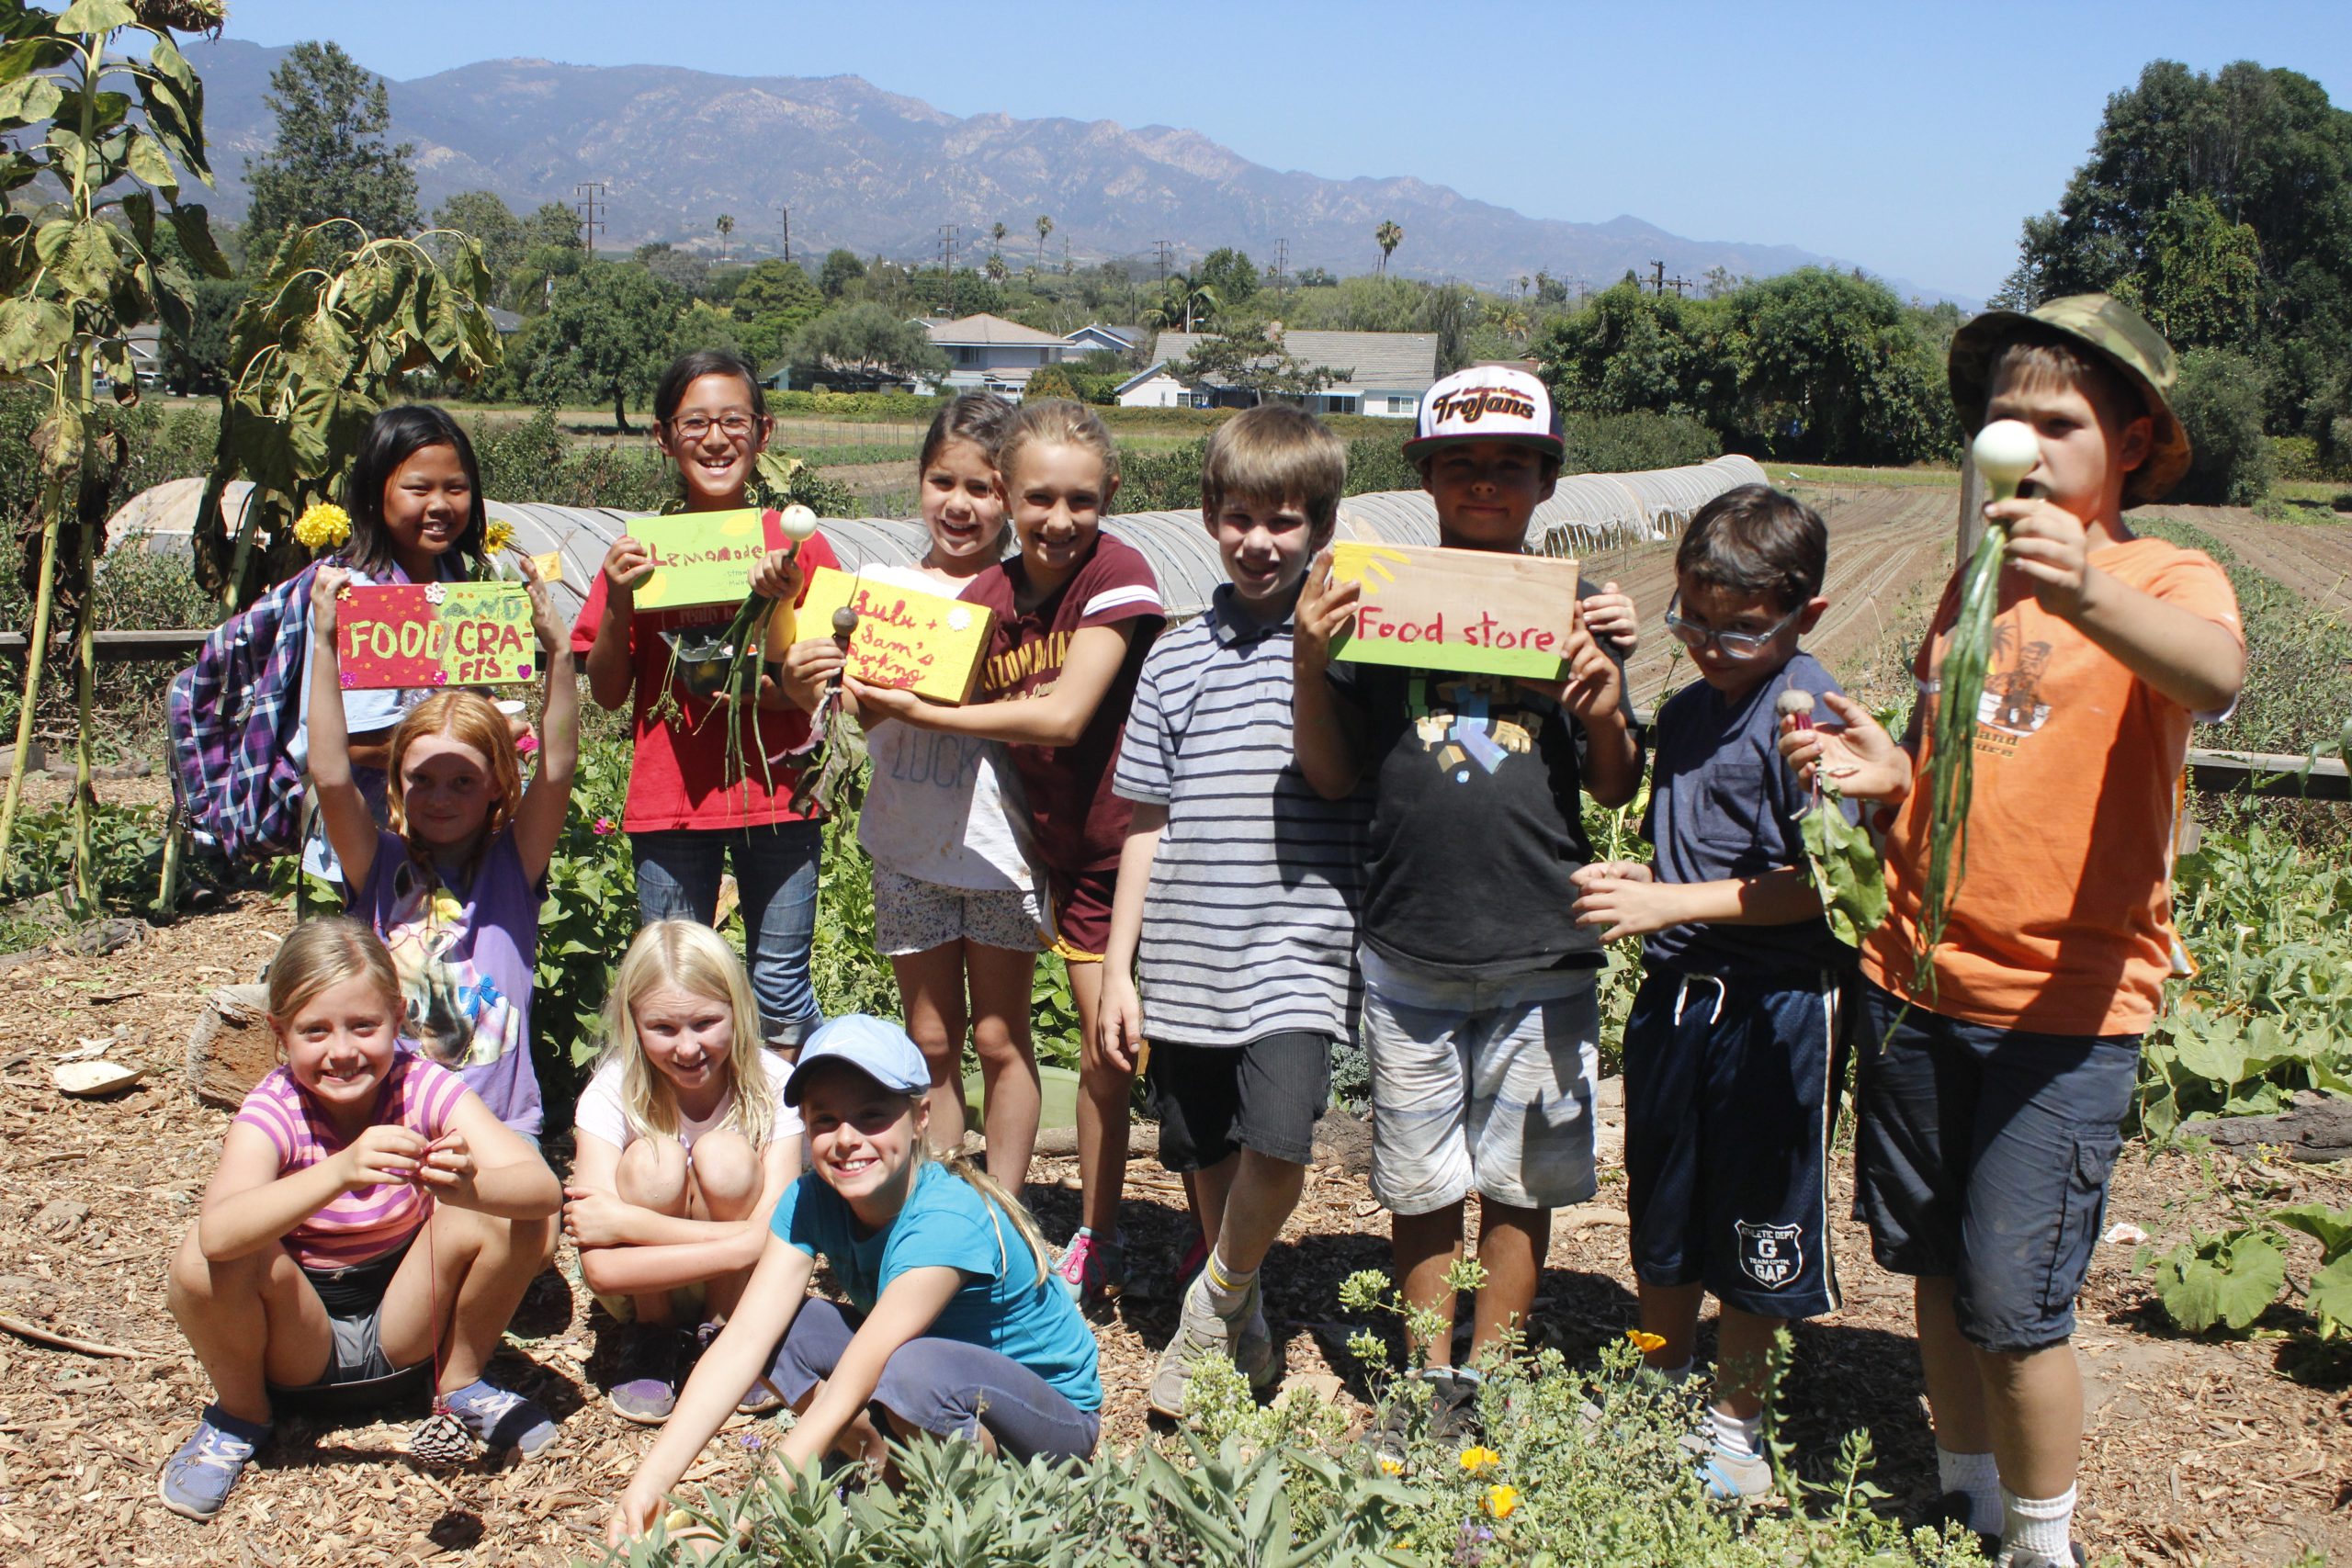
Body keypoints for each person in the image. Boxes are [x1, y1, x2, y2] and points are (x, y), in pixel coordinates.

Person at [1780, 296, 2244, 1565]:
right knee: (1935, 1268)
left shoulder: (2161, 577)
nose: (2022, 443)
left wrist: (2082, 580)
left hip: (2063, 1012)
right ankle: (1964, 1494)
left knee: (2018, 1304)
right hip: (1915, 980)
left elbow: (2212, 673)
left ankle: (2044, 1546)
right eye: (2003, 419)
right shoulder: (1970, 580)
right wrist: (1888, 772)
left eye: (2058, 422)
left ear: (2131, 444)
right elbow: (1952, 756)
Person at [1293, 367, 1642, 1457]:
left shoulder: (1578, 608)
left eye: (1508, 465)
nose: (1484, 481)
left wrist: (1604, 701)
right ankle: (1425, 1380)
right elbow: (1332, 774)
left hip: (1543, 943)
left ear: (1547, 481)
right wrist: (1310, 654)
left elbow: (1613, 785)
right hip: (1412, 946)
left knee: (1521, 1180)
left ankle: (1491, 1377)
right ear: (1427, 480)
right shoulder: (1377, 600)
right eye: (1460, 464)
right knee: (1419, 1179)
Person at [1568, 483, 1855, 1498]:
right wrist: (1648, 884)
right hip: (1678, 991)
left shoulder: (1809, 717)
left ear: (1806, 615)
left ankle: (1737, 1421)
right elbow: (1696, 851)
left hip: (1776, 1008)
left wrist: (1669, 900)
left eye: (1739, 630)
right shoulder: (1690, 710)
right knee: (1666, 1190)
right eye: (1690, 621)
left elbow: (1823, 888)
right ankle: (1661, 1373)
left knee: (1756, 1208)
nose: (1708, 646)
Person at [842, 400, 1163, 1303]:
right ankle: (961, 1217)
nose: (1057, 518)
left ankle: (1090, 1232)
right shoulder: (985, 596)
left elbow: (1062, 716)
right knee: (959, 1039)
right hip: (1037, 842)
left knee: (1091, 1047)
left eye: (1079, 499)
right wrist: (839, 668)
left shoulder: (1114, 571)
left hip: (1115, 845)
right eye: (1038, 499)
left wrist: (921, 709)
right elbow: (883, 686)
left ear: (1108, 495)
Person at [1095, 406, 1369, 1416]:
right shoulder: (1171, 659)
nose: (1260, 541)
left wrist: (1313, 658)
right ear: (1210, 516)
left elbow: (1338, 779)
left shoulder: (1353, 648)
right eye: (1241, 517)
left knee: (1281, 1137)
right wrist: (1118, 967)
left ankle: (1212, 1305)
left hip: (1298, 939)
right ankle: (1239, 1324)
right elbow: (1146, 821)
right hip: (1185, 946)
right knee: (1205, 1142)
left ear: (1321, 528)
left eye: (1284, 521)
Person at [606, 1015, 1102, 1544]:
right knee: (781, 1331)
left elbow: (858, 1377)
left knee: (913, 1370)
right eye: (825, 1120)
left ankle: (980, 1506)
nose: (847, 1139)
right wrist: (649, 1485)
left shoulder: (946, 1218)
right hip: (932, 1384)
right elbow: (744, 1341)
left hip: (1048, 1420)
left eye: (872, 1116)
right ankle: (882, 1466)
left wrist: (740, 1526)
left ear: (919, 1118)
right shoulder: (810, 1200)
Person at [160, 919, 562, 1520]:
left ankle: (460, 1381)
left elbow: (542, 1190)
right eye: (314, 1030)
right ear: (279, 1033)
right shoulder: (275, 1107)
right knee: (202, 1256)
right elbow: (217, 1233)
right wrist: (339, 1171)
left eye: (364, 1026)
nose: (342, 1051)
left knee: (511, 1212)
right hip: (301, 1343)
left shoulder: (422, 1086)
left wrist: (469, 1185)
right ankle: (240, 1416)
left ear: (399, 1019)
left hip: (407, 1327)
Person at [572, 349, 844, 1057]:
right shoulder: (639, 552)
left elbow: (825, 682)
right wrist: (620, 598)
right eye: (695, 423)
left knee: (780, 992)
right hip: (672, 800)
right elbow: (607, 689)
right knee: (677, 994)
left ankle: (783, 1121)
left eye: (733, 421)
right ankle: (685, 1123)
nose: (716, 438)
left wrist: (778, 620)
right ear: (663, 437)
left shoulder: (799, 544)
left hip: (780, 795)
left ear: (763, 431)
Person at [846, 392, 1051, 1189]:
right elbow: (854, 710)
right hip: (907, 844)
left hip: (1000, 849)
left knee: (1000, 1037)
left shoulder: (1027, 596)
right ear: (920, 481)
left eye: (982, 488)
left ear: (1010, 496)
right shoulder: (881, 589)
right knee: (930, 1039)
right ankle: (942, 1201)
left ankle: (1006, 1207)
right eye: (943, 482)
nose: (959, 505)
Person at [305, 547, 577, 1140]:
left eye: (462, 781)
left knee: (524, 1198)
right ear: (397, 782)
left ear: (497, 783)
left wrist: (559, 652)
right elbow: (329, 773)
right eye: (421, 779)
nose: (440, 797)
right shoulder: (378, 865)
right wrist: (324, 642)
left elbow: (557, 768)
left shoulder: (513, 864)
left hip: (502, 1127)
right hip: (396, 1123)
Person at [565, 920, 804, 1423]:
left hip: (746, 1278)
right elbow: (602, 1270)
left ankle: (728, 1320)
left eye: (706, 1022)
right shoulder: (611, 1093)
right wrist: (750, 1239)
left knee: (726, 1158)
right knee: (653, 1161)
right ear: (633, 1022)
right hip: (647, 1282)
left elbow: (782, 1242)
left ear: (738, 1009)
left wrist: (629, 1223)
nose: (689, 1048)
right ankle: (653, 1330)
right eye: (664, 1029)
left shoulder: (776, 1085)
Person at [291, 405, 526, 882]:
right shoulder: (358, 594)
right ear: (374, 495)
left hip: (445, 837)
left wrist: (491, 713)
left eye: (456, 488)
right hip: (369, 844)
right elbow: (354, 742)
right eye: (419, 489)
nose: (439, 505)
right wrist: (480, 741)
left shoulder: (454, 580)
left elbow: (464, 688)